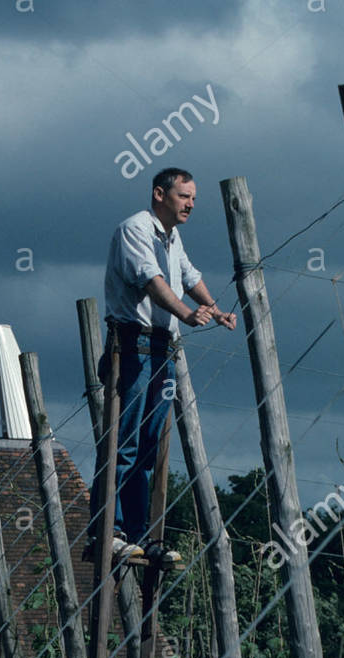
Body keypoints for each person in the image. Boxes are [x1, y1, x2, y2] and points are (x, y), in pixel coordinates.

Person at [86, 167, 236, 563]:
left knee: (149, 444)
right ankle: (111, 531)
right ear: (159, 194)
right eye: (184, 196)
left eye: (193, 198)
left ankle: (139, 535)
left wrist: (215, 310)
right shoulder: (135, 230)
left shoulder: (171, 236)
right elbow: (152, 281)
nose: (190, 204)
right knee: (126, 441)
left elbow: (188, 275)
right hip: (132, 345)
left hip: (161, 348)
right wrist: (188, 315)